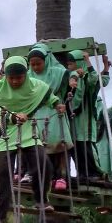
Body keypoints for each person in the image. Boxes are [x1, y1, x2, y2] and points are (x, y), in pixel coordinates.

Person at [0, 55, 65, 223]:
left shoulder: (35, 86)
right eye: (11, 78)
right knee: (1, 173)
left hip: (28, 130)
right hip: (4, 132)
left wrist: (57, 104)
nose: (14, 81)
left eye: (19, 77)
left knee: (43, 163)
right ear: (5, 76)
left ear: (26, 75)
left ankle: (42, 200)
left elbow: (48, 95)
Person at [27, 42, 74, 192]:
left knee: (60, 144)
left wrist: (74, 77)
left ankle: (61, 176)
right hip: (37, 114)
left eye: (38, 64)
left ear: (46, 60)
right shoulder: (27, 76)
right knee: (38, 146)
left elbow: (72, 74)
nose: (35, 67)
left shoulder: (58, 72)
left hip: (55, 113)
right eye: (32, 64)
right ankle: (41, 176)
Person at [64, 50, 110, 183]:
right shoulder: (71, 76)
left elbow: (99, 79)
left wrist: (90, 63)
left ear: (79, 63)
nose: (69, 66)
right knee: (75, 147)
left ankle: (93, 172)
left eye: (71, 64)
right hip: (74, 119)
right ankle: (83, 173)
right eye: (68, 64)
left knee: (85, 146)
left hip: (85, 120)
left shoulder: (88, 78)